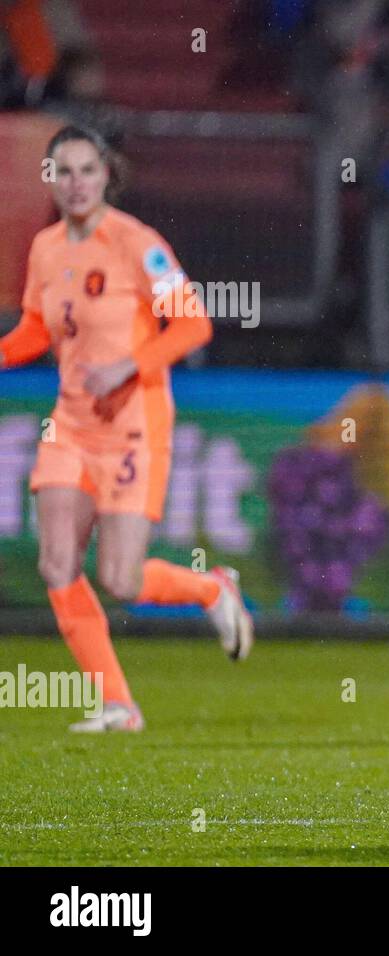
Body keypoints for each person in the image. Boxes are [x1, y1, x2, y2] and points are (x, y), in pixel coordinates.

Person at [0, 125, 254, 733]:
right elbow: (37, 330)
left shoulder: (138, 244)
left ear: (107, 174)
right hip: (71, 425)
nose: (76, 183)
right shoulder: (45, 249)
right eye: (63, 172)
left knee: (121, 579)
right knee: (57, 564)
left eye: (87, 170)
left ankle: (211, 590)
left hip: (133, 426)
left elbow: (193, 325)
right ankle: (119, 704)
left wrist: (128, 366)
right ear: (51, 180)